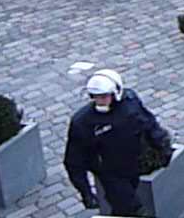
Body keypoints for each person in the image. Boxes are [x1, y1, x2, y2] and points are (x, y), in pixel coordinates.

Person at [64, 69, 171, 216]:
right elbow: (74, 161)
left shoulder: (130, 104)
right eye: (95, 97)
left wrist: (162, 147)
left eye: (104, 96)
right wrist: (86, 192)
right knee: (132, 210)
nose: (100, 101)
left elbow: (149, 124)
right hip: (111, 173)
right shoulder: (83, 122)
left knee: (123, 209)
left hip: (136, 161)